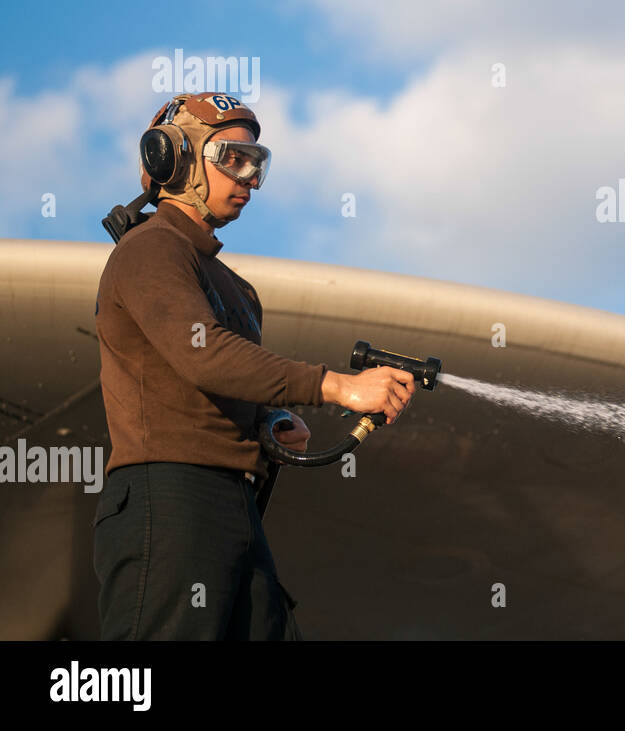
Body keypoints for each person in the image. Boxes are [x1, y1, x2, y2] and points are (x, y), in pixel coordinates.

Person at [93, 92, 415, 640]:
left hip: (234, 507)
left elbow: (220, 377)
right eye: (232, 160)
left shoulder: (237, 290)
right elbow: (205, 354)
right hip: (168, 503)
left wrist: (268, 420)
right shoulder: (149, 250)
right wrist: (337, 386)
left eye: (256, 164)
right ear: (173, 158)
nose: (249, 179)